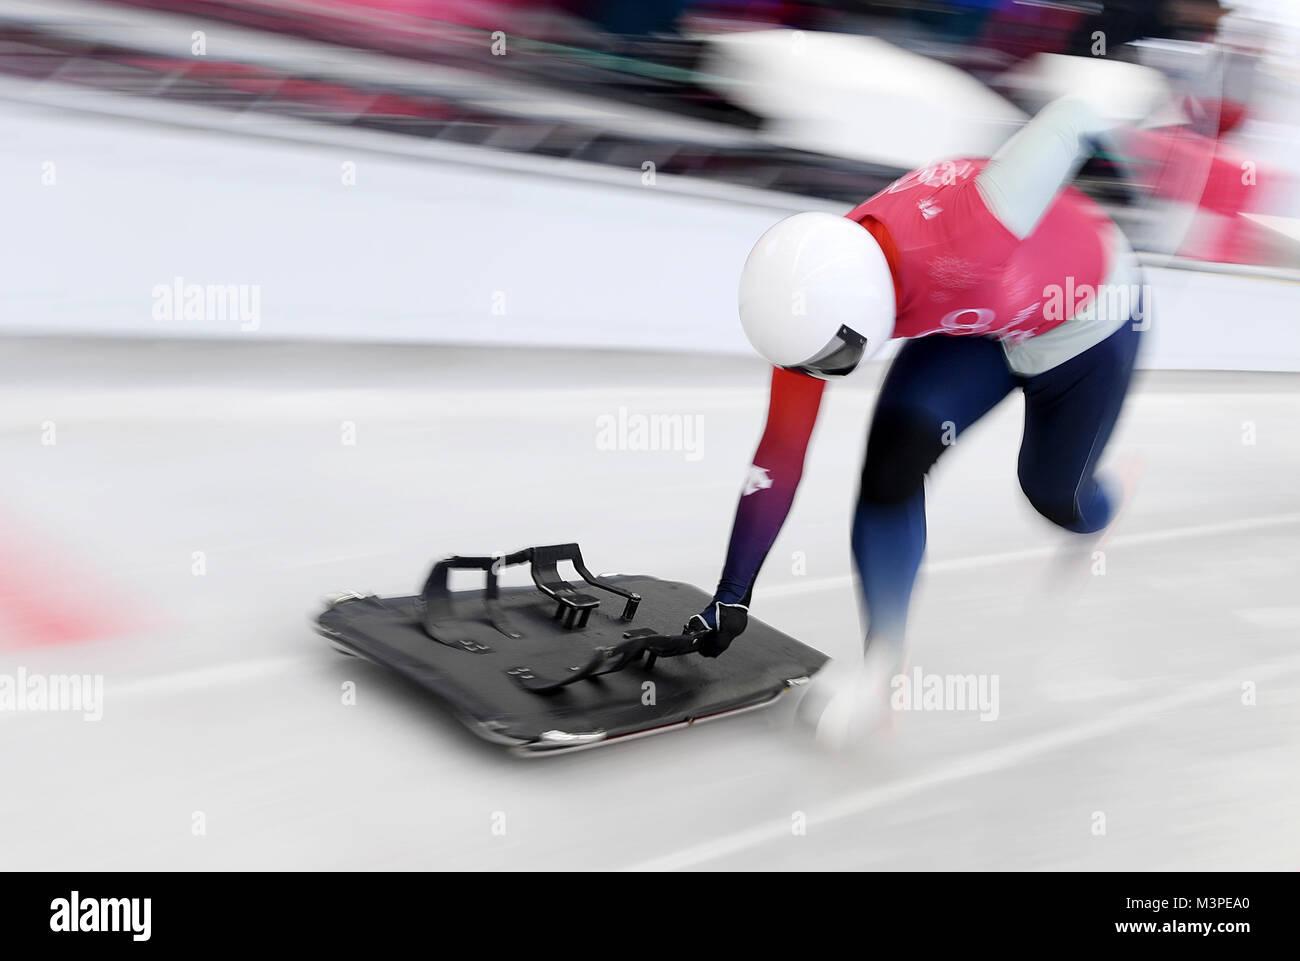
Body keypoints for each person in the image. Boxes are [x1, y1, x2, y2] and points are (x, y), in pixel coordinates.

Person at [683, 95, 1154, 740]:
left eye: (833, 359)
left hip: (1088, 321)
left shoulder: (972, 227)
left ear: (870, 314)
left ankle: (1101, 503)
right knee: (892, 466)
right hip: (974, 321)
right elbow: (778, 459)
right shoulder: (817, 296)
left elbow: (1075, 113)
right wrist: (731, 593)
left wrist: (1137, 160)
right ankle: (883, 671)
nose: (819, 375)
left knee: (1055, 497)